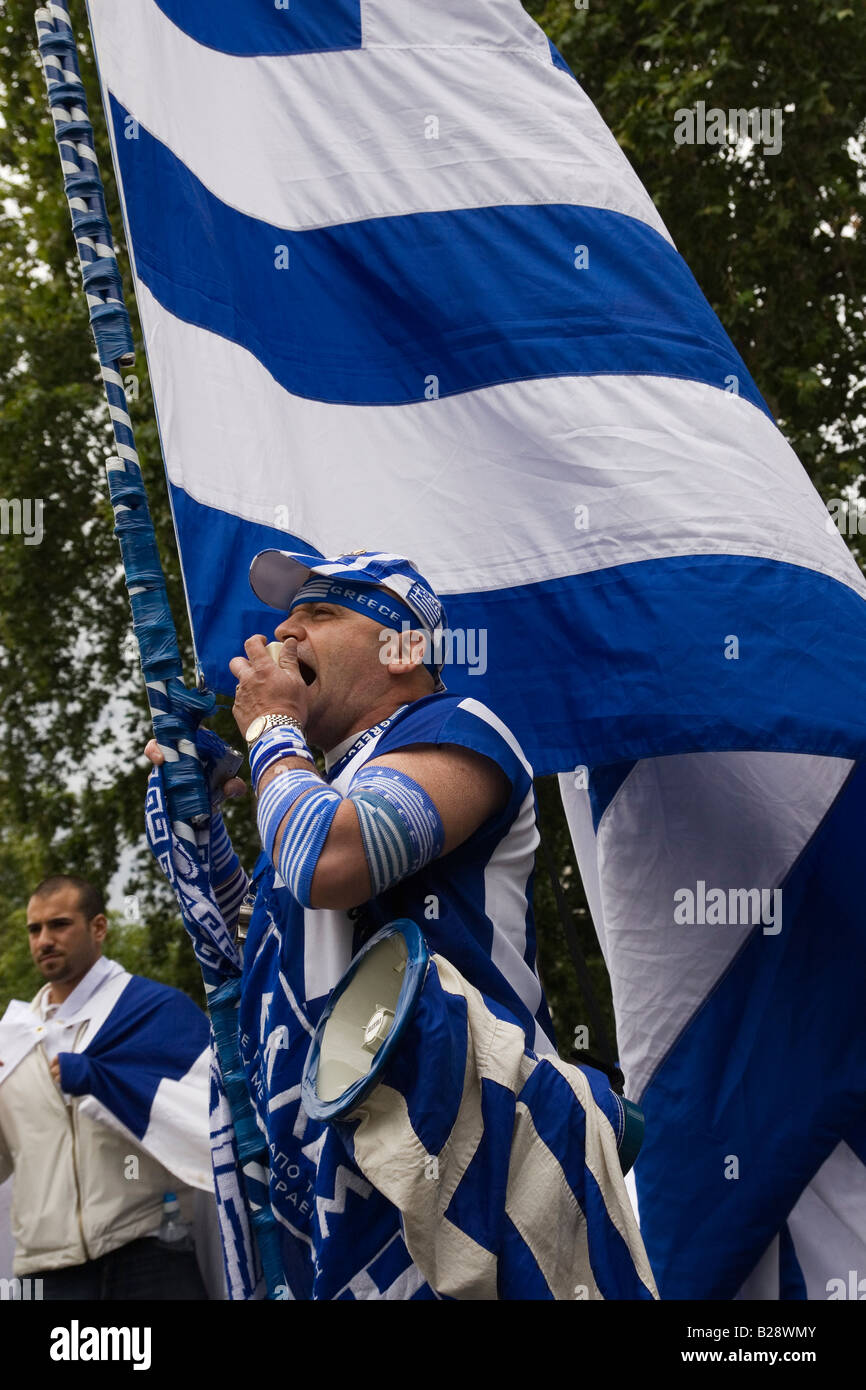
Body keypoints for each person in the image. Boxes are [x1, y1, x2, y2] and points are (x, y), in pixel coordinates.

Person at [148, 548, 655, 1300]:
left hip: (472, 1175)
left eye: (320, 613)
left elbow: (329, 862)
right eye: (289, 615)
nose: (285, 632)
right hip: (346, 1179)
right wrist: (201, 815)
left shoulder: (457, 725)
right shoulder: (319, 789)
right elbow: (263, 948)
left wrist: (271, 735)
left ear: (404, 647)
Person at [0, 875, 214, 1300]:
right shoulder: (11, 1042)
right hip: (48, 1267)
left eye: (59, 924)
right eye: (35, 929)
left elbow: (208, 1117)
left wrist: (103, 1080)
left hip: (149, 1249)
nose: (44, 939)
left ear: (98, 928)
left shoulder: (155, 1012)